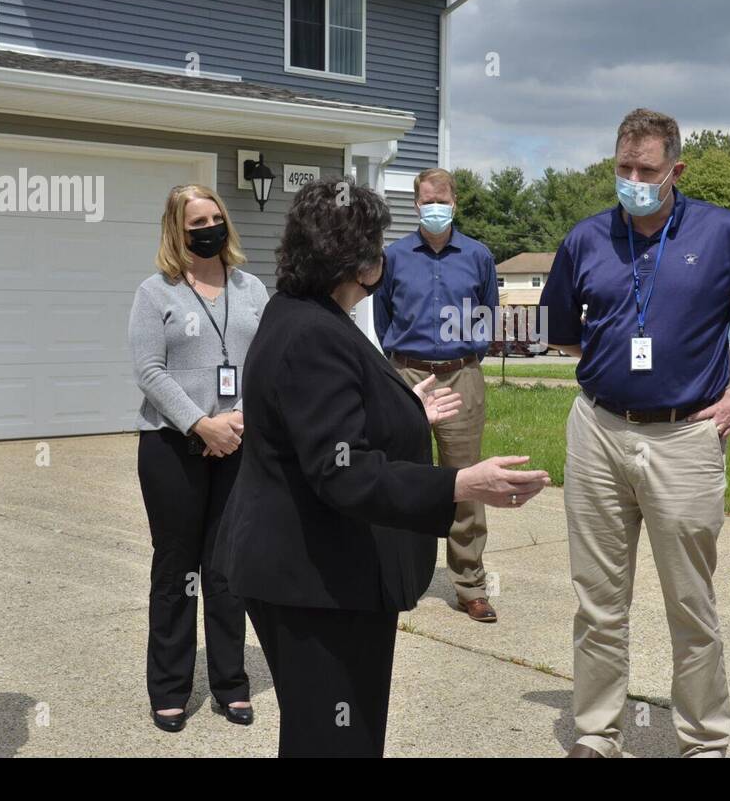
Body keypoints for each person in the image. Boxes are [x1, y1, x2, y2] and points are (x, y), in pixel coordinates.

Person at [216, 175, 550, 758]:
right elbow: (341, 471)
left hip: (314, 575)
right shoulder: (312, 332)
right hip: (313, 584)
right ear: (358, 261)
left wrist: (403, 411)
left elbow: (331, 426)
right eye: (374, 245)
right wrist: (462, 482)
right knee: (334, 741)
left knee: (338, 734)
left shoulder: (305, 312)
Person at [539, 108, 730, 758]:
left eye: (648, 170)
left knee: (690, 605)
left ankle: (703, 740)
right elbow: (558, 329)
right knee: (598, 602)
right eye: (624, 168)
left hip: (686, 437)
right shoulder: (586, 239)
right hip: (599, 430)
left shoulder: (724, 233)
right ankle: (598, 732)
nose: (633, 180)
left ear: (676, 170)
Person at [128, 184, 270, 733]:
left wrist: (238, 421)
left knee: (227, 568)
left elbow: (264, 361)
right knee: (175, 570)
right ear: (176, 231)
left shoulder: (251, 288)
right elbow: (149, 371)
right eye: (196, 223)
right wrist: (201, 422)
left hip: (238, 444)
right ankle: (169, 687)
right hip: (172, 447)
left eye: (215, 218)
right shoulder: (155, 292)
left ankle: (231, 684)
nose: (208, 228)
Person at [373, 168, 502, 622]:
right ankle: (396, 572)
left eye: (441, 199)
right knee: (399, 477)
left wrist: (463, 357)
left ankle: (470, 585)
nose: (434, 206)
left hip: (460, 376)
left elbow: (488, 314)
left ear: (454, 202)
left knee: (466, 481)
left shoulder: (479, 256)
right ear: (415, 204)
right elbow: (382, 317)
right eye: (426, 199)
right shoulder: (392, 258)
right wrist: (402, 364)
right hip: (406, 375)